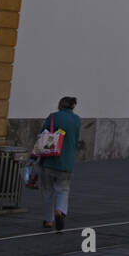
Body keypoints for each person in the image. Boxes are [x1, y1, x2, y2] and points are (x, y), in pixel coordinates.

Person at [37, 96, 81, 232]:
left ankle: (48, 220)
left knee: (47, 192)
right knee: (63, 189)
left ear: (60, 105)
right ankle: (60, 211)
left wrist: (35, 156)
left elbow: (42, 135)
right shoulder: (76, 119)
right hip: (66, 162)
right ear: (73, 106)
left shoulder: (53, 117)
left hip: (49, 159)